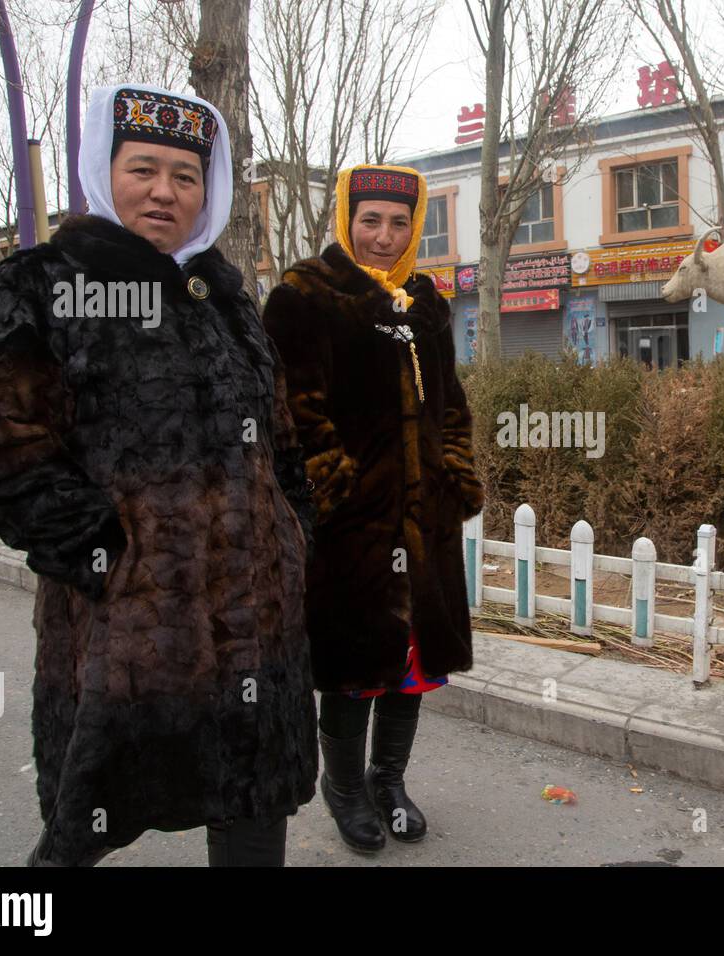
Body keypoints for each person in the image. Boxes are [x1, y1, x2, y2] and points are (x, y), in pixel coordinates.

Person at [0, 84, 318, 866]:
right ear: (103, 170)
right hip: (129, 635)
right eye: (143, 168)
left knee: (253, 806)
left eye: (186, 176)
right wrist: (104, 556)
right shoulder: (46, 282)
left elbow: (280, 442)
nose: (164, 191)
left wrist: (293, 533)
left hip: (256, 631)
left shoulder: (225, 298)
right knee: (85, 823)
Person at [262, 164, 484, 853]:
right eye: (370, 221)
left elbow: (452, 403)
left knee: (411, 661)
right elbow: (292, 412)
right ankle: (346, 788)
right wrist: (338, 493)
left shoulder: (425, 302)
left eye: (398, 223)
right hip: (350, 528)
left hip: (426, 523)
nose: (384, 237)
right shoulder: (305, 297)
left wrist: (456, 479)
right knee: (354, 664)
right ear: (345, 220)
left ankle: (390, 782)